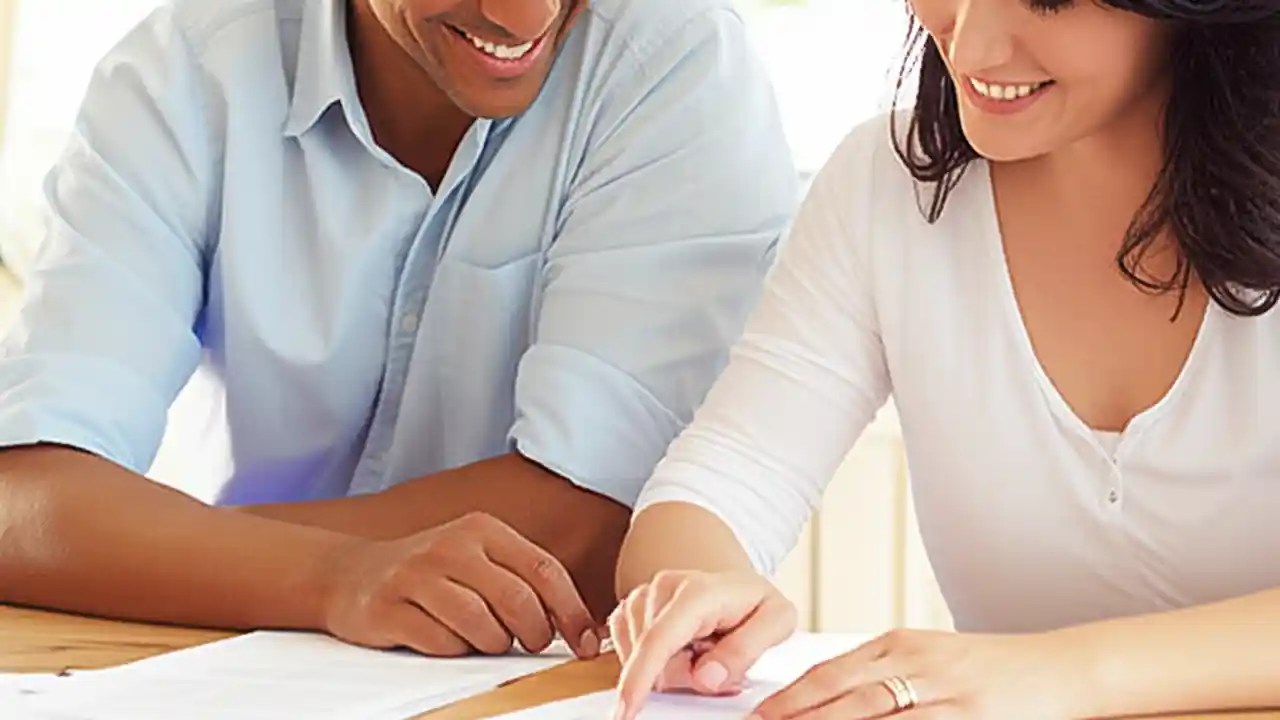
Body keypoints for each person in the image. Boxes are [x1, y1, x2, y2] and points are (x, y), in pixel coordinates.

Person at [0, 0, 797, 660]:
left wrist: (146, 552)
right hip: (244, 667)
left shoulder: (672, 64)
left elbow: (587, 529)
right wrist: (334, 576)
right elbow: (27, 500)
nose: (525, 13)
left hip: (538, 680)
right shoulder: (183, 73)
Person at [611, 0, 1280, 717]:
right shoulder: (886, 187)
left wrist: (1057, 675)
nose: (972, 43)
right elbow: (726, 475)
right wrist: (699, 592)